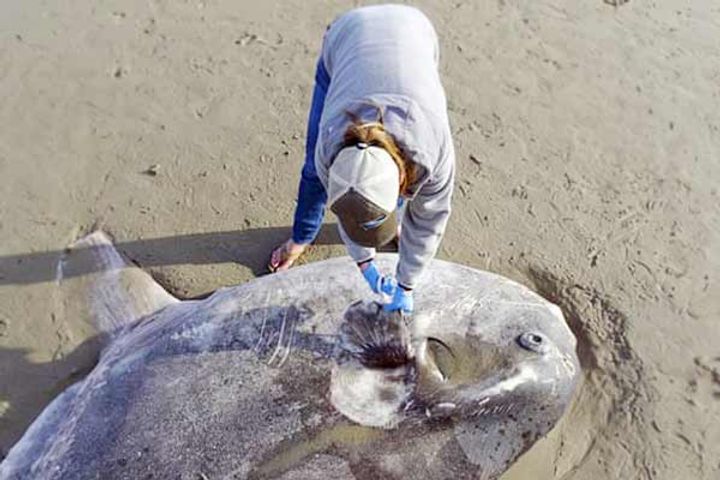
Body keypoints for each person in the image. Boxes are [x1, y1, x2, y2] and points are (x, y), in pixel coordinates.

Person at [268, 5, 455, 314]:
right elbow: (349, 205)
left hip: (414, 33)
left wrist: (407, 284)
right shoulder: (329, 147)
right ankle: (301, 237)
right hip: (347, 37)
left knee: (386, 201)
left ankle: (385, 218)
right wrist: (366, 264)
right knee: (313, 174)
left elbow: (428, 222)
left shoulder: (432, 153)